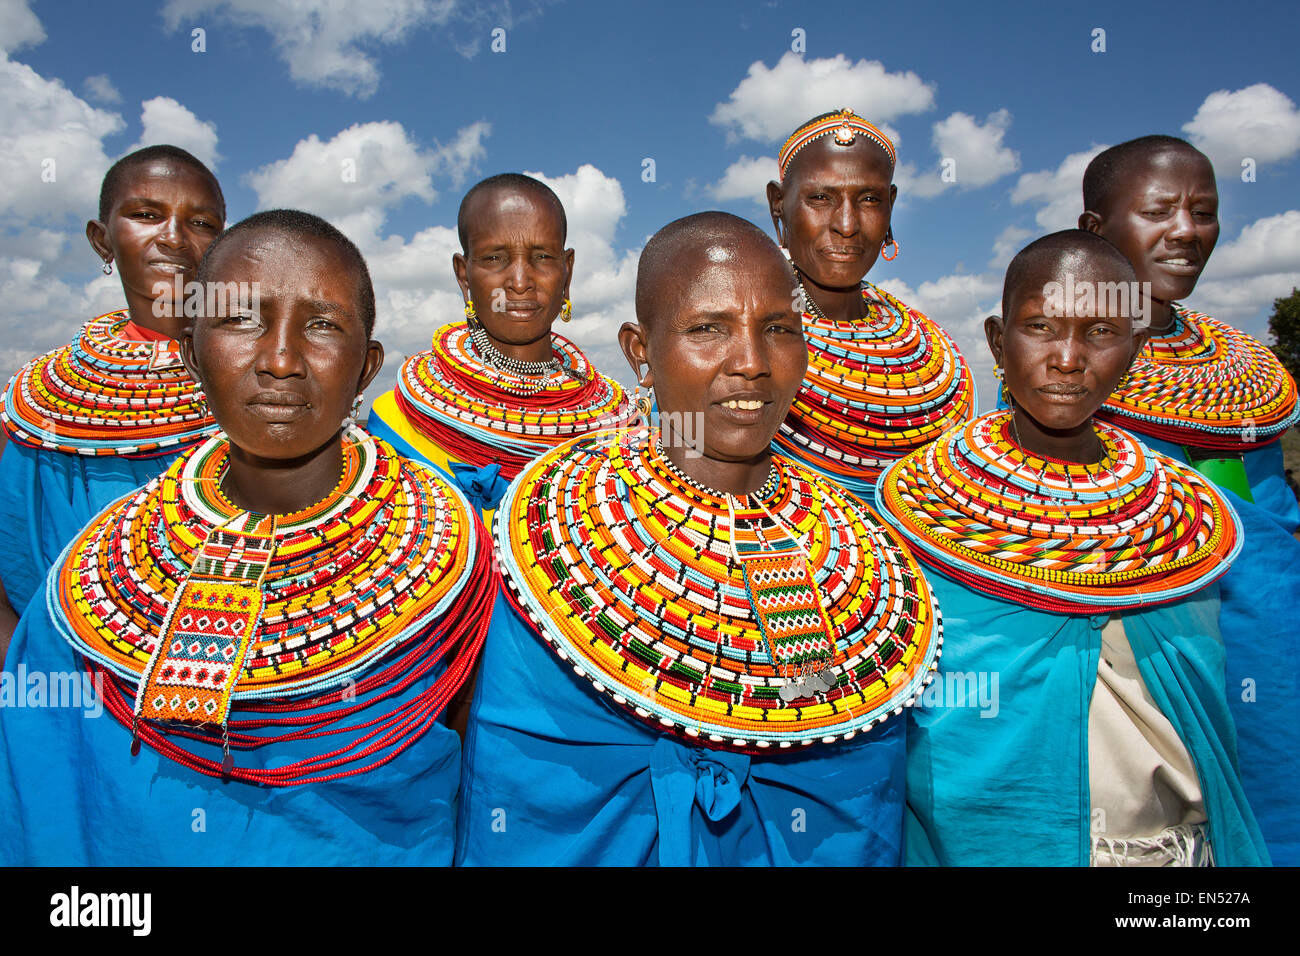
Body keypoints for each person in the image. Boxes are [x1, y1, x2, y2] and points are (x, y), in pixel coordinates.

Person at [0, 210, 494, 865]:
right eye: (239, 319)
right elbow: (46, 790)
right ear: (192, 351)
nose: (282, 359)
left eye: (322, 324)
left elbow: (476, 761)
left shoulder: (453, 560)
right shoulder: (91, 578)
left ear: (367, 364)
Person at [456, 212, 941, 866]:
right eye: (707, 328)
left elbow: (845, 784)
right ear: (640, 352)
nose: (751, 363)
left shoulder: (846, 555)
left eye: (778, 329)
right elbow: (520, 780)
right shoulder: (542, 545)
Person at [876, 230, 1268, 866]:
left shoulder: (1183, 522)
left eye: (1102, 332)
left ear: (1137, 347)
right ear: (999, 342)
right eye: (1040, 327)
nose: (1067, 357)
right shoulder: (917, 516)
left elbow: (1202, 706)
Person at [1080, 135, 1299, 864]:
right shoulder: (1065, 362)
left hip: (1271, 649)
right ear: (1095, 230)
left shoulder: (1246, 372)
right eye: (1160, 210)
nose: (1186, 230)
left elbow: (1272, 520)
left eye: (1203, 211)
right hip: (1138, 665)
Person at [0, 145, 225, 654]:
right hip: (65, 692)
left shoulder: (269, 379)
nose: (173, 237)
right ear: (103, 241)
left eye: (202, 222)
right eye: (146, 215)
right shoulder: (36, 405)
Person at [368, 173, 635, 519]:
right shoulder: (398, 421)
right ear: (464, 275)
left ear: (566, 272)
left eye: (541, 257)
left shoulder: (617, 429)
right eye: (495, 258)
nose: (521, 282)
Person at [765, 109, 975, 501]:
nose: (846, 223)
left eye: (868, 198)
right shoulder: (742, 332)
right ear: (778, 203)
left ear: (891, 205)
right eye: (821, 197)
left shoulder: (929, 347)